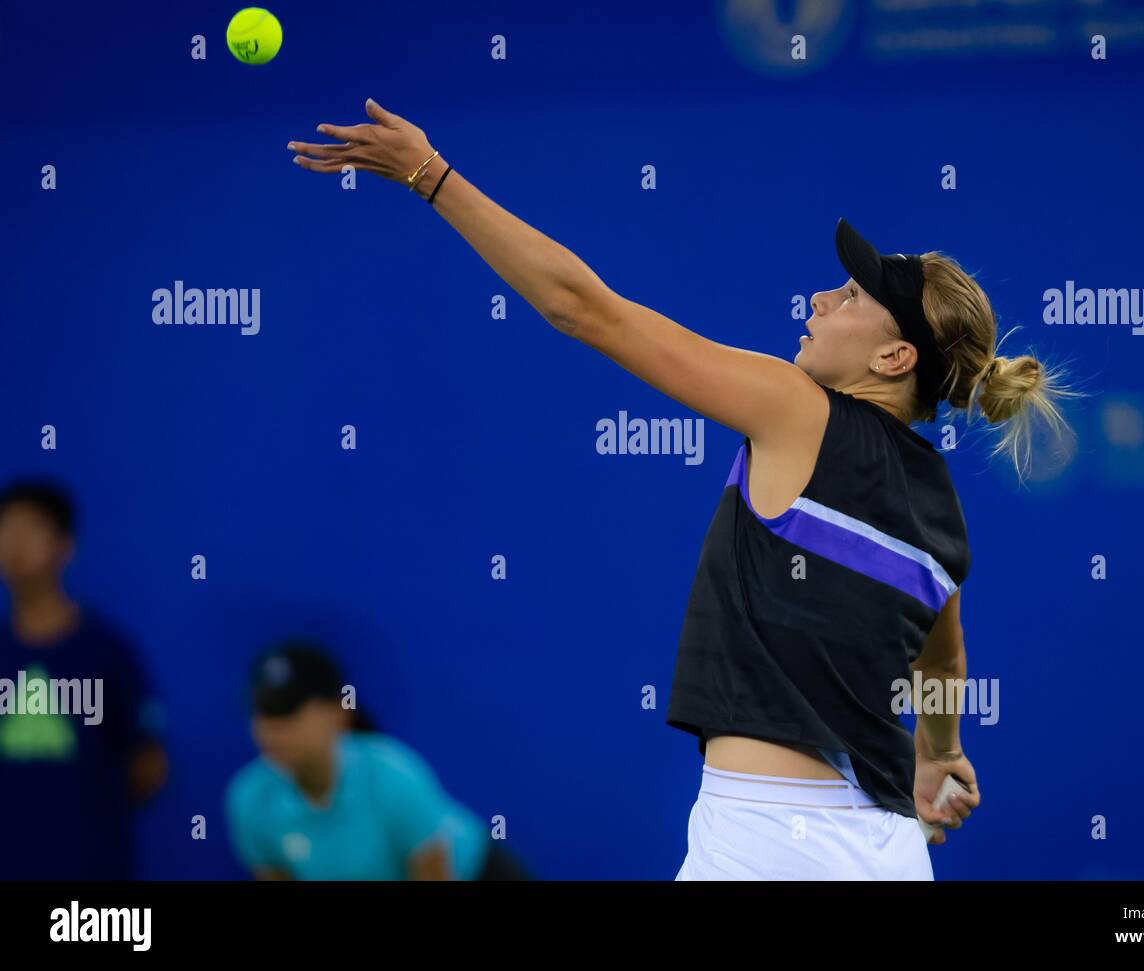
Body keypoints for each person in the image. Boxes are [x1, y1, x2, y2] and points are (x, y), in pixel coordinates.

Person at [286, 102, 1080, 879]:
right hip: (891, 852)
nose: (819, 301)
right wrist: (938, 755)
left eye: (850, 300)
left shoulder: (797, 407)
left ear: (894, 359)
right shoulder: (944, 515)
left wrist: (428, 174)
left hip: (768, 840)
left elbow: (586, 311)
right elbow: (943, 660)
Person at [226, 642, 529, 880]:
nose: (273, 731)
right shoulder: (249, 800)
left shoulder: (394, 777)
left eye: (288, 712)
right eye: (263, 713)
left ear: (339, 712)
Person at [0, 480, 168, 879]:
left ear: (65, 545)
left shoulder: (106, 650)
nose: (15, 543)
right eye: (6, 528)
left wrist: (88, 807)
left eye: (32, 528)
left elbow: (149, 766)